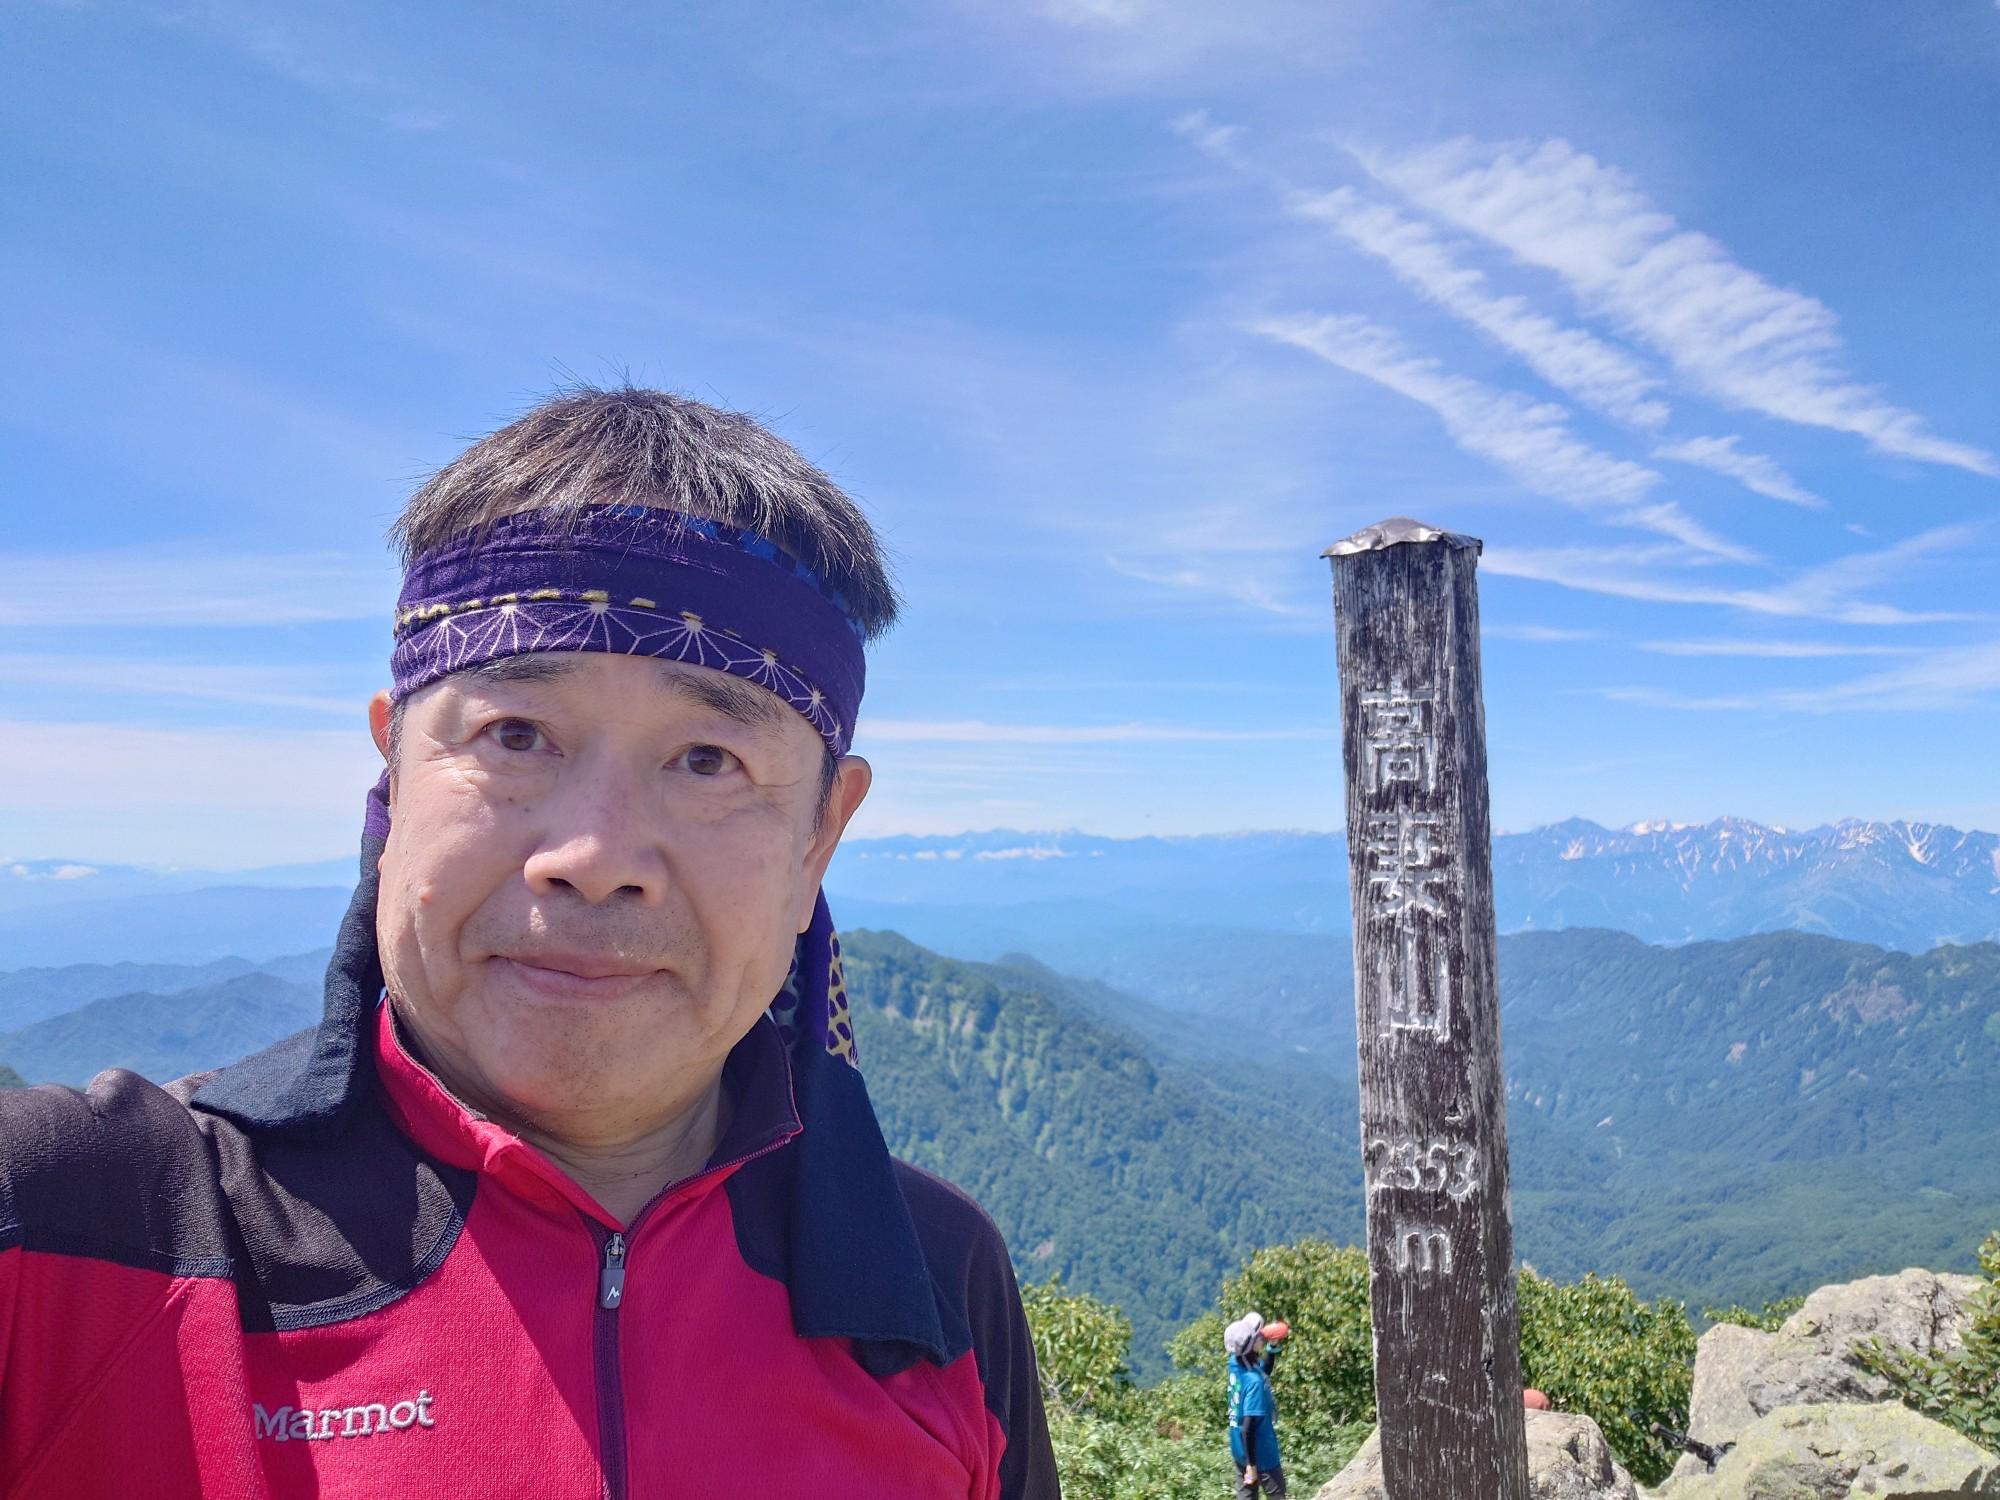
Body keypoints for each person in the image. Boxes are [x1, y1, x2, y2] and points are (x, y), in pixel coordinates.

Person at [0, 387, 1060, 1499]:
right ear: (393, 772)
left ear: (818, 839)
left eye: (707, 759)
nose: (596, 853)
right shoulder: (77, 1230)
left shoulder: (933, 1284)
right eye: (515, 734)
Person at [1224, 1312, 1289, 1499]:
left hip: (1239, 1447)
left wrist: (1272, 1347)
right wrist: (1252, 1466)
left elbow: (1263, 1371)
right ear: (1251, 1345)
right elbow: (1248, 1427)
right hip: (1262, 1450)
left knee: (1246, 1495)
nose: (1261, 1336)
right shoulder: (1253, 1382)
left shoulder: (1236, 1364)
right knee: (1277, 1495)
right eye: (1257, 1336)